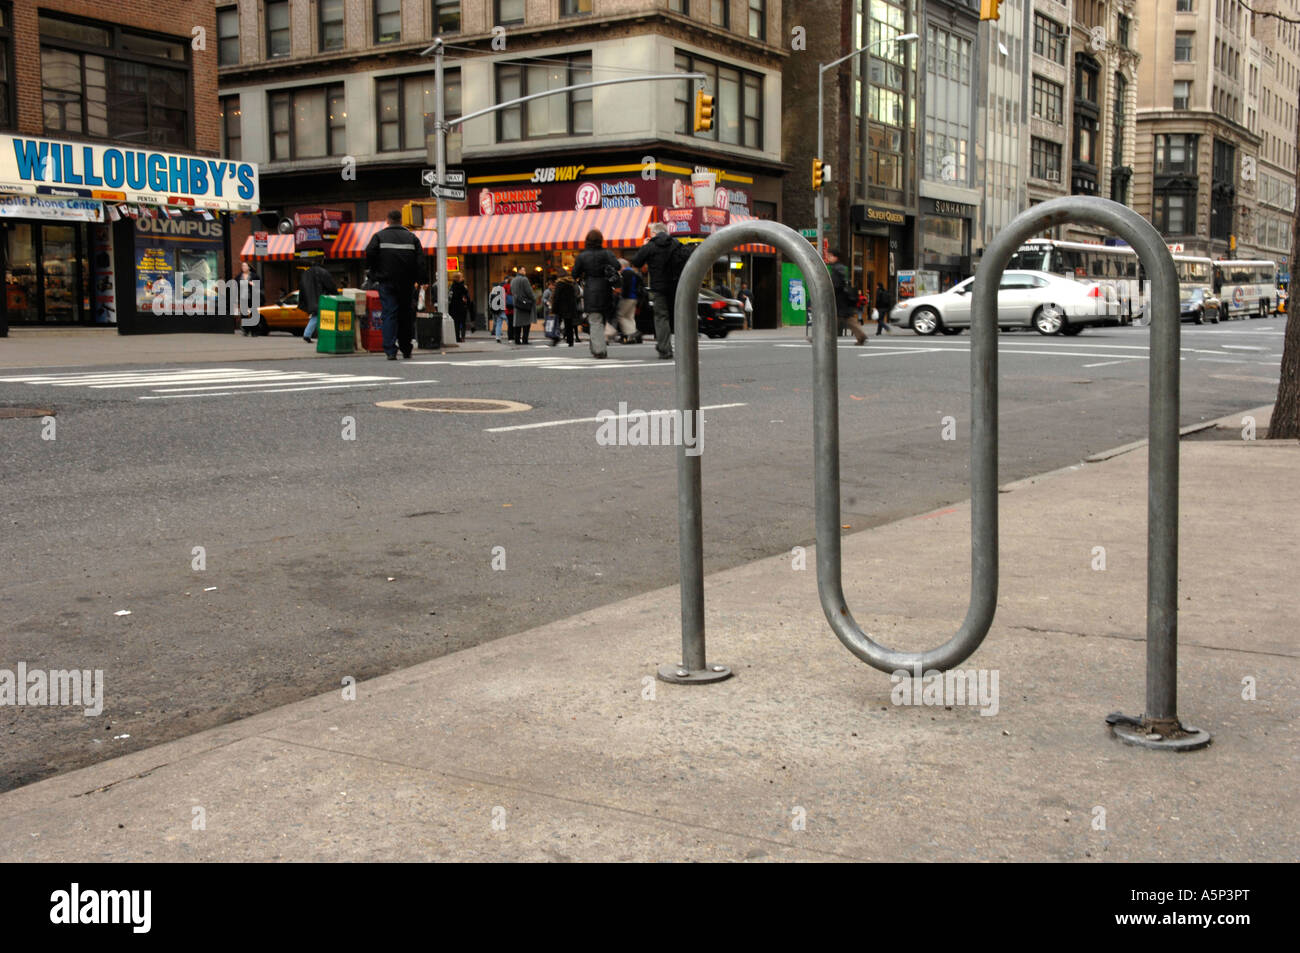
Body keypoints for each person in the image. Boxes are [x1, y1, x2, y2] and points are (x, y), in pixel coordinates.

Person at [365, 209, 423, 360]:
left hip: (386, 281)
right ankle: (406, 348)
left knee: (389, 314)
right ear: (401, 220)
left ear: (388, 220)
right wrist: (420, 280)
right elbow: (420, 262)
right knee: (405, 315)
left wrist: (374, 273)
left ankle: (390, 350)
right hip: (407, 283)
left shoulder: (379, 236)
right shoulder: (412, 238)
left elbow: (369, 253)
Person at [630, 221, 688, 360]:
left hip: (658, 287)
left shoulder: (650, 246)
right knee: (678, 318)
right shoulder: (676, 244)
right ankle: (685, 348)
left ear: (654, 233)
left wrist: (644, 246)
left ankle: (664, 348)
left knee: (661, 317)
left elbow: (636, 261)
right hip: (675, 286)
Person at [572, 229, 621, 359]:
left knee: (595, 320)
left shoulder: (582, 256)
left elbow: (574, 274)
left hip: (590, 289)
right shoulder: (607, 253)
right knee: (602, 319)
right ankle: (597, 347)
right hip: (605, 288)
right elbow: (617, 265)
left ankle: (599, 350)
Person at [825, 248, 867, 345]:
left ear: (835, 257)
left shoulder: (837, 268)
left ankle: (820, 338)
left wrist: (829, 292)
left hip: (839, 299)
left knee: (832, 319)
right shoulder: (841, 268)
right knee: (846, 319)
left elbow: (836, 285)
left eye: (830, 256)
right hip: (843, 299)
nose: (828, 258)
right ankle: (861, 335)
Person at [298, 262, 338, 343]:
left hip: (310, 299)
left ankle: (308, 334)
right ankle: (310, 334)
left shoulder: (306, 273)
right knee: (320, 316)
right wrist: (336, 294)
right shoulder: (323, 272)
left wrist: (303, 300)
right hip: (322, 299)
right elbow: (330, 286)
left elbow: (301, 288)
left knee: (316, 316)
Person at [615, 258, 644, 344]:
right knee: (630, 317)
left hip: (627, 297)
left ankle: (632, 333)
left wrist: (621, 294)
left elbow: (626, 286)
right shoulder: (634, 273)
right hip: (634, 297)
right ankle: (632, 337)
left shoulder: (626, 273)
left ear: (622, 266)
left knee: (620, 315)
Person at [552, 273, 581, 347]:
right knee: (569, 325)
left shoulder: (559, 284)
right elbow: (575, 295)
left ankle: (556, 338)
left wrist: (553, 308)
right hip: (570, 308)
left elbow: (556, 297)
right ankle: (570, 341)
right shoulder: (572, 284)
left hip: (560, 307)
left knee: (557, 324)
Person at [510, 267, 535, 345]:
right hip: (525, 304)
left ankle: (517, 340)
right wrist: (533, 298)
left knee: (517, 323)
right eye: (523, 270)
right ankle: (525, 339)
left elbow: (512, 291)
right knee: (526, 323)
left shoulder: (513, 280)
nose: (525, 271)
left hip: (517, 304)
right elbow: (529, 291)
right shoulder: (524, 279)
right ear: (519, 271)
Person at [237, 261, 261, 335]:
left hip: (252, 297)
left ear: (249, 267)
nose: (243, 267)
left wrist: (253, 284)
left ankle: (254, 331)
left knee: (253, 314)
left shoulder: (254, 276)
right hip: (243, 297)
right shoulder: (239, 276)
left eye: (245, 266)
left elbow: (259, 286)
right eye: (242, 266)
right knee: (244, 314)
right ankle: (246, 330)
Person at [449, 272, 471, 342]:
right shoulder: (462, 287)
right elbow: (467, 296)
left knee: (456, 323)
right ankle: (463, 337)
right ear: (458, 278)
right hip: (461, 308)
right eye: (461, 277)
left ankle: (457, 337)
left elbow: (450, 297)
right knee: (462, 323)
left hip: (453, 308)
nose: (463, 278)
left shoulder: (452, 286)